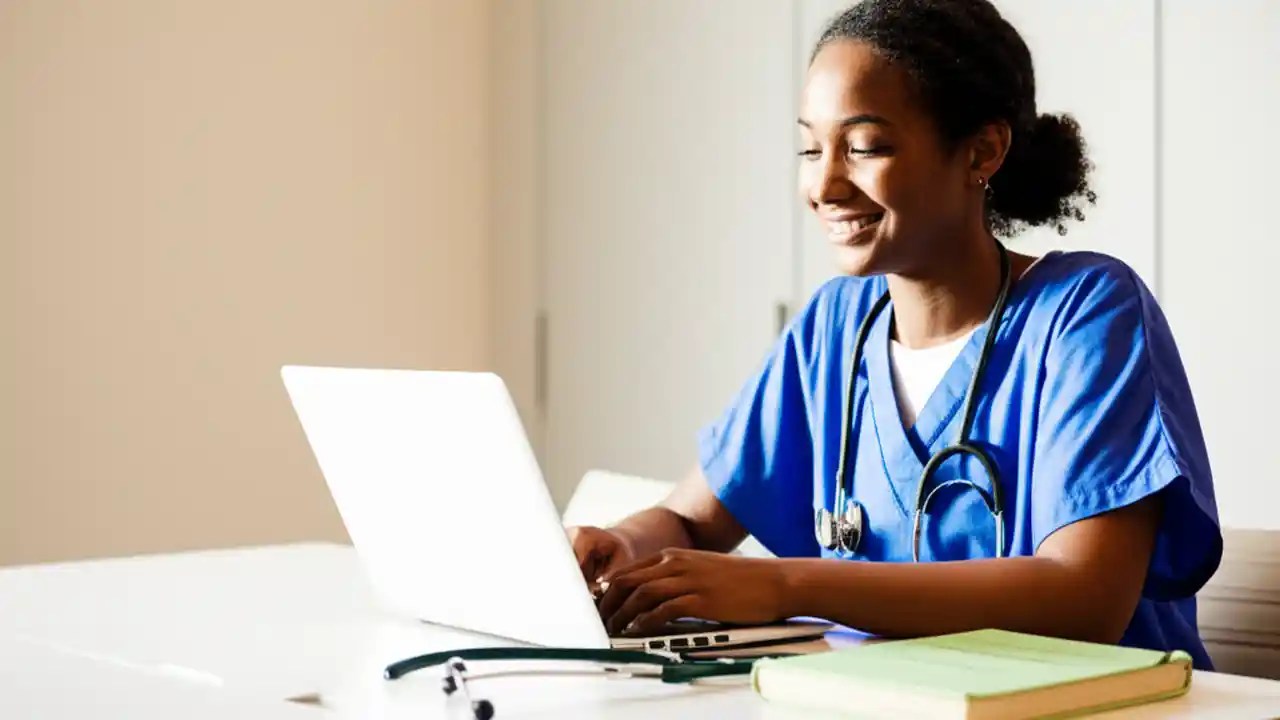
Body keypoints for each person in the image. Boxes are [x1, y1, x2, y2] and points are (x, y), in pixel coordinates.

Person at [567, 0, 1221, 670]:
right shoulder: (834, 328)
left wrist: (784, 583)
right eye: (810, 147)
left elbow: (1084, 599)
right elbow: (691, 521)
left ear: (982, 151)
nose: (824, 184)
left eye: (865, 147)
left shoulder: (1084, 313)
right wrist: (623, 544)